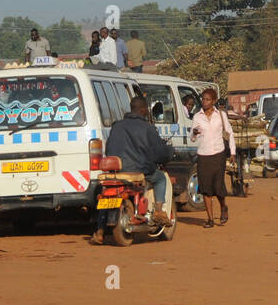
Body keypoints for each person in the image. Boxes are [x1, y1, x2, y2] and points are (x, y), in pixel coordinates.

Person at [94, 95, 174, 244]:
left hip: (117, 171)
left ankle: (99, 231)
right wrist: (169, 152)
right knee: (160, 178)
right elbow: (159, 152)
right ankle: (158, 210)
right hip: (140, 170)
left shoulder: (117, 126)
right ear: (143, 109)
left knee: (106, 195)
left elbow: (109, 148)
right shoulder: (148, 128)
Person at [189, 87, 235, 227]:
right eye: (203, 99)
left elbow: (230, 133)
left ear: (214, 101)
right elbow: (191, 138)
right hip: (203, 156)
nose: (204, 102)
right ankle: (210, 219)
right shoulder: (197, 116)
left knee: (218, 186)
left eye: (208, 99)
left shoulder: (220, 115)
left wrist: (232, 152)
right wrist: (195, 133)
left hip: (218, 155)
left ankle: (223, 207)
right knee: (205, 188)